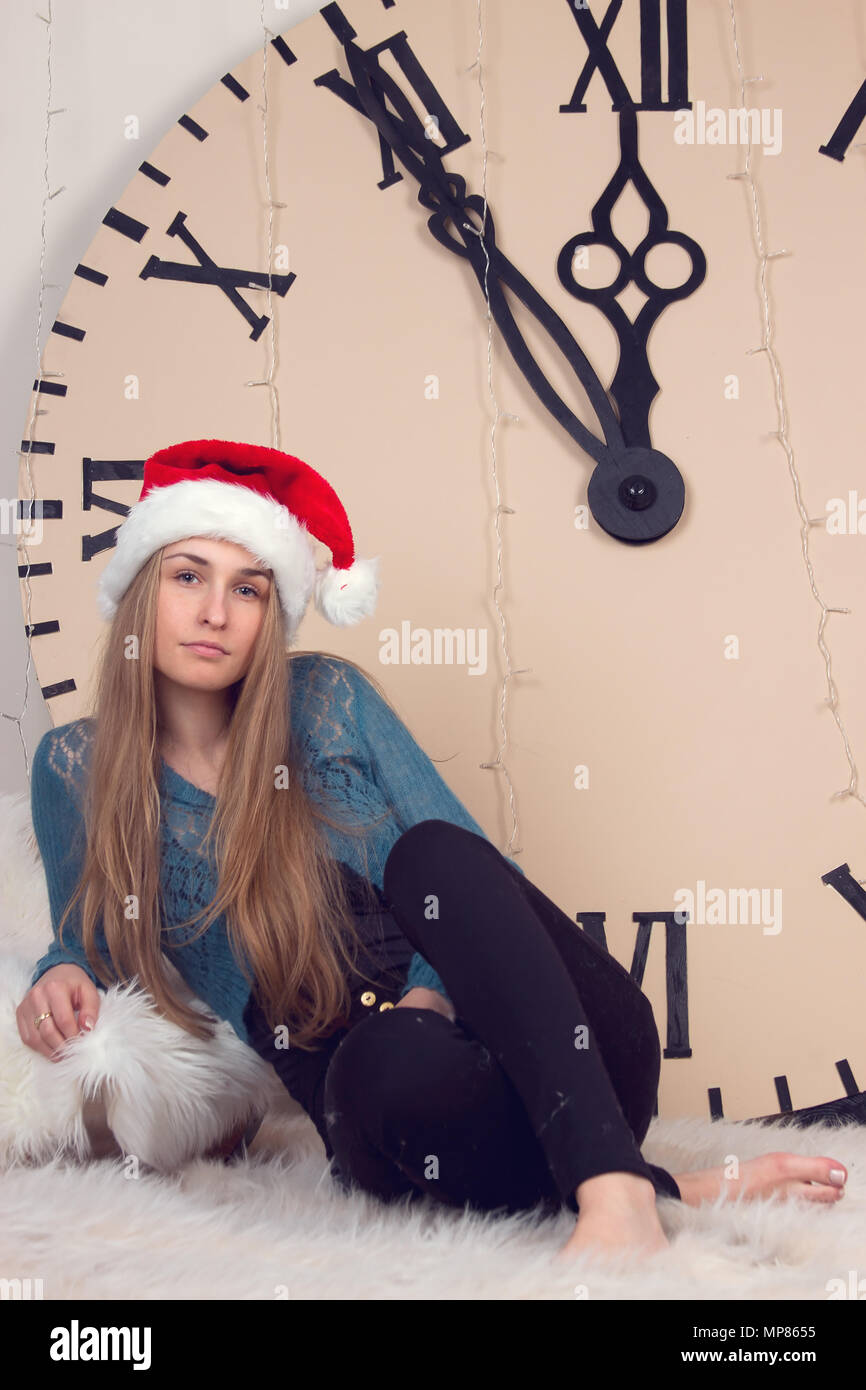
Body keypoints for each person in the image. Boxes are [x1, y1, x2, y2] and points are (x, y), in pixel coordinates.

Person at [16, 439, 848, 1264]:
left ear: (273, 614)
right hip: (390, 1106)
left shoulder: (329, 700)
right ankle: (647, 1190)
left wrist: (433, 994)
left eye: (249, 589)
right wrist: (60, 972)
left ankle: (613, 1188)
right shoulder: (75, 769)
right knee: (389, 1060)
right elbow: (87, 935)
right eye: (187, 576)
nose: (214, 613)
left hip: (575, 1055)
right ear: (139, 590)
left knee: (431, 855)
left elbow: (485, 878)